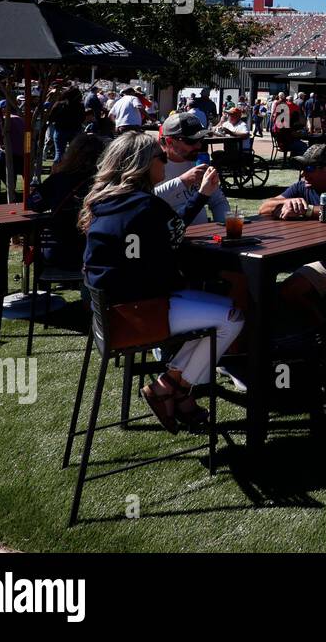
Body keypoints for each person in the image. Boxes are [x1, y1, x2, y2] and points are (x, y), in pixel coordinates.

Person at [80, 131, 245, 431]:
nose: (165, 162)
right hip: (141, 314)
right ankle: (169, 386)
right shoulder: (144, 206)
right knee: (232, 316)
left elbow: (164, 238)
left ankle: (178, 392)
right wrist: (203, 195)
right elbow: (175, 233)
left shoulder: (106, 202)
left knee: (207, 310)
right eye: (161, 157)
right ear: (143, 164)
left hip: (107, 316)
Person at [257, 144, 326, 327]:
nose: (303, 173)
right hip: (324, 262)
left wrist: (307, 210)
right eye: (302, 168)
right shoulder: (302, 187)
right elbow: (263, 209)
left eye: (309, 168)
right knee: (288, 291)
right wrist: (286, 204)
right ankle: (325, 329)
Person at [28, 133, 106, 271]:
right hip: (93, 255)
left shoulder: (58, 180)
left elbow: (33, 204)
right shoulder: (106, 185)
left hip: (57, 252)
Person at [154, 111, 228, 225]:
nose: (198, 145)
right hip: (168, 238)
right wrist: (182, 181)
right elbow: (143, 201)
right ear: (169, 141)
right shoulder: (152, 165)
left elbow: (218, 201)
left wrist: (225, 226)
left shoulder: (197, 162)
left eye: (200, 139)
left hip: (202, 238)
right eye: (191, 141)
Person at [46, 87, 85, 162]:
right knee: (74, 154)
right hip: (75, 130)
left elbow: (51, 117)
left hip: (60, 130)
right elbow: (82, 119)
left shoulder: (59, 104)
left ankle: (57, 171)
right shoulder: (80, 106)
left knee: (59, 153)